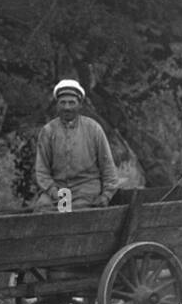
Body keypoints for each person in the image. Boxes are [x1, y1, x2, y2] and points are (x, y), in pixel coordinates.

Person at [33, 79, 120, 210]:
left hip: (86, 190)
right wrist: (54, 192)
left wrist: (106, 195)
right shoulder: (48, 131)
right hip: (58, 190)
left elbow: (107, 166)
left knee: (77, 215)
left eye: (71, 103)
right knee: (42, 210)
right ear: (57, 105)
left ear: (80, 105)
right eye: (63, 103)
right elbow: (42, 170)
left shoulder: (93, 129)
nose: (67, 107)